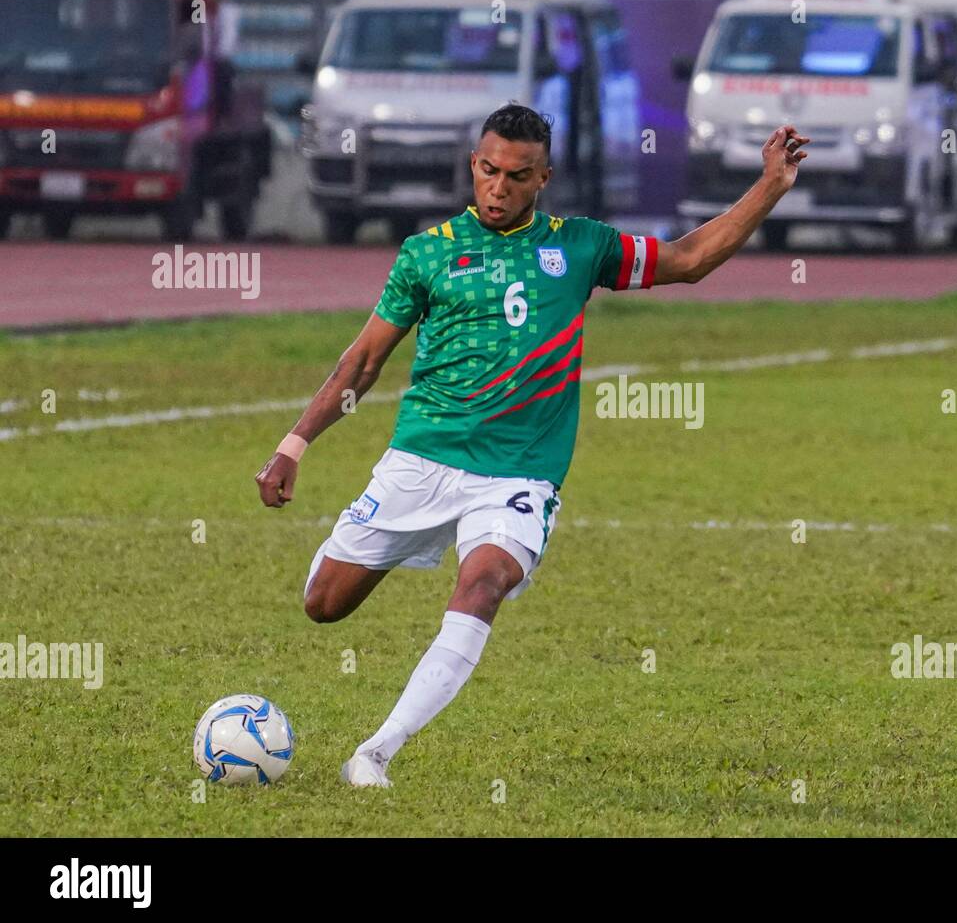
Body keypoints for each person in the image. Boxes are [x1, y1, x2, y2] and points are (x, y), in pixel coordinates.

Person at [255, 102, 810, 787]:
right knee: (323, 602)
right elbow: (363, 361)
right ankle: (393, 547)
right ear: (473, 166)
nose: (499, 187)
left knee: (483, 581)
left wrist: (770, 187)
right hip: (421, 458)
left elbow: (690, 260)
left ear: (542, 176)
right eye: (489, 170)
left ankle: (376, 751)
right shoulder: (427, 253)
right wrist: (295, 443)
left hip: (518, 474)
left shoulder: (580, 246)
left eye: (517, 175)